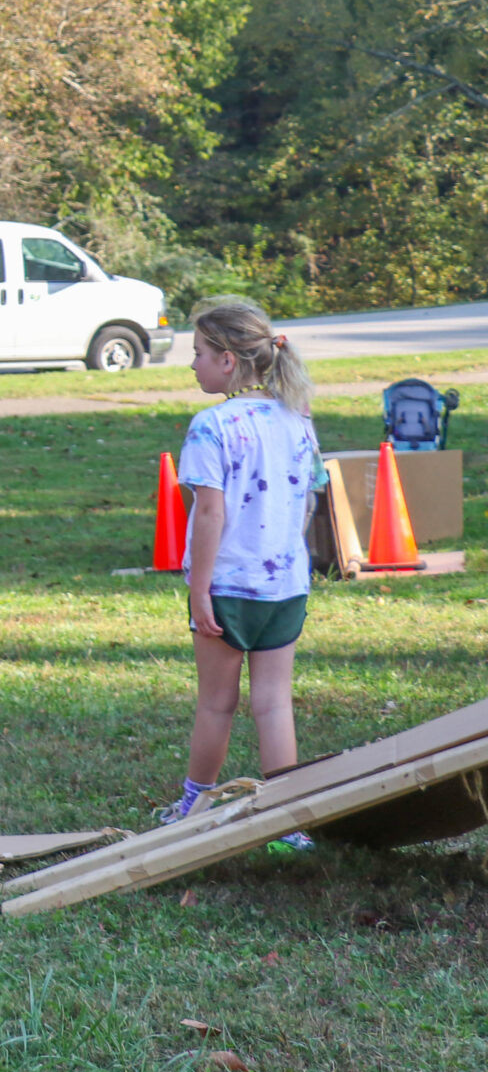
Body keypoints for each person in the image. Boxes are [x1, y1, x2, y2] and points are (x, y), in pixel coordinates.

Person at [164, 296, 321, 850]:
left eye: (199, 352)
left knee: (216, 703)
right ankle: (289, 819)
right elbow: (309, 500)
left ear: (229, 360)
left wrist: (199, 588)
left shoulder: (212, 425)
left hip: (227, 587)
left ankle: (193, 803)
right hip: (286, 587)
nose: (193, 364)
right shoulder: (298, 420)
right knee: (274, 703)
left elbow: (209, 513)